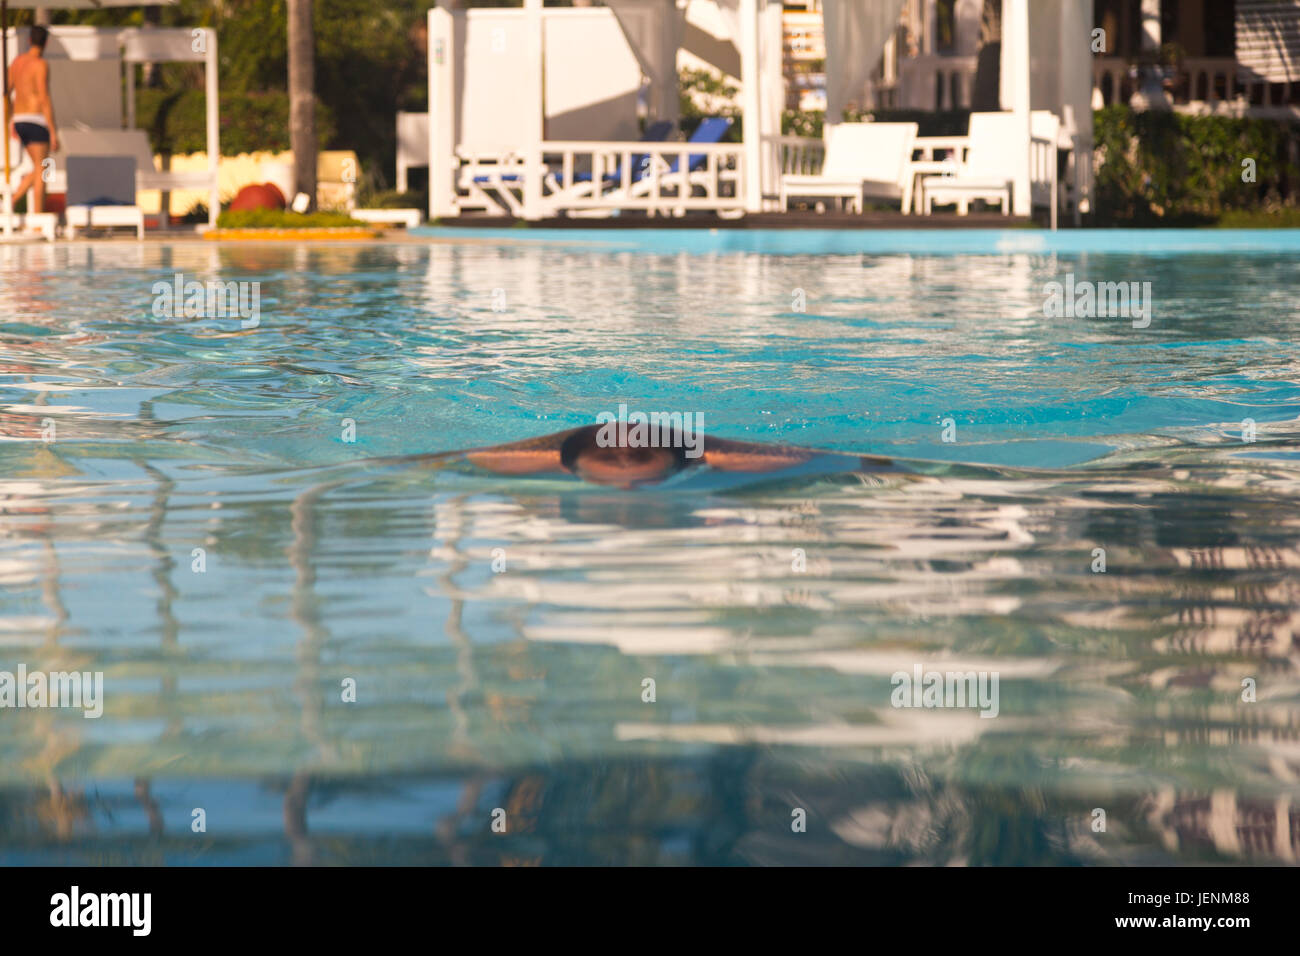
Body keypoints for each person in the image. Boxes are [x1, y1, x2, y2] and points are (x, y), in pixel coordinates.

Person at [6, 25, 58, 216]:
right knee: (44, 169)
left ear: (29, 41)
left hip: (20, 120)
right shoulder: (40, 65)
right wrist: (53, 130)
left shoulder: (16, 63)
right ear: (46, 43)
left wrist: (10, 121)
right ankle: (38, 218)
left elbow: (7, 93)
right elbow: (44, 97)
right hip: (37, 119)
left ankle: (10, 202)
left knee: (39, 167)